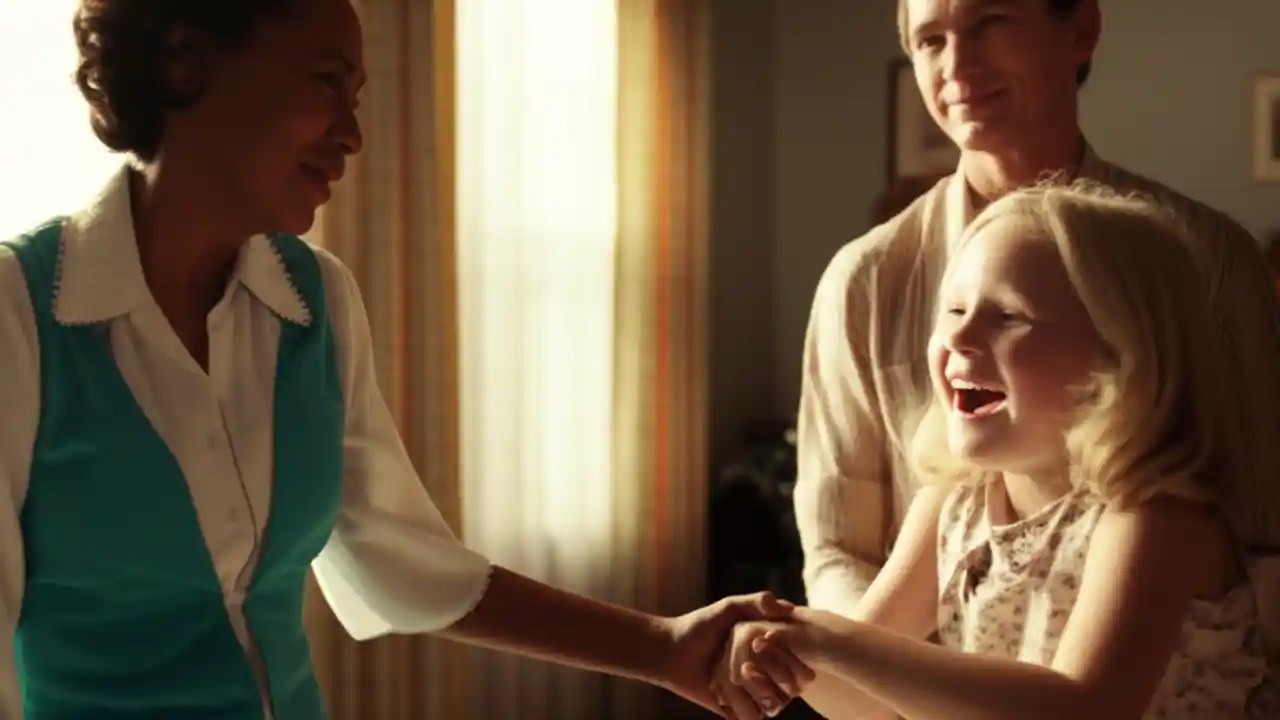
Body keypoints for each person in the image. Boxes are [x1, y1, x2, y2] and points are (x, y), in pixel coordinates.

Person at [0, 1, 796, 718]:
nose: (350, 135)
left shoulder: (317, 302)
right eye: (325, 85)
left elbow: (401, 563)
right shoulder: (19, 312)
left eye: (358, 101)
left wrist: (662, 648)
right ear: (185, 60)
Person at [792, 0, 1280, 623]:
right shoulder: (863, 283)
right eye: (930, 40)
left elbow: (1264, 532)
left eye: (988, 23)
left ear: (1080, 29)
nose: (957, 65)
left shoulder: (1207, 259)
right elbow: (837, 551)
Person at [725, 182, 1278, 719]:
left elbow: (1084, 709)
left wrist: (829, 640)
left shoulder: (1155, 518)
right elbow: (857, 702)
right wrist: (779, 651)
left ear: (1119, 353)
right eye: (954, 311)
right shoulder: (953, 506)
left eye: (1008, 316)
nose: (960, 341)